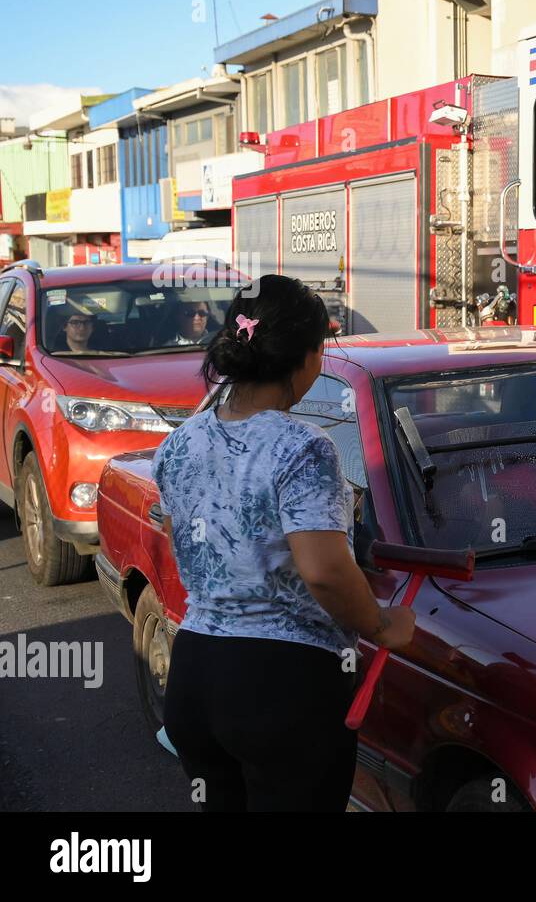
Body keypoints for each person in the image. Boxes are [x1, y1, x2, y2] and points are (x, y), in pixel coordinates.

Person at [151, 274, 415, 812]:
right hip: (280, 685)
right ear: (305, 357)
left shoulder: (180, 442)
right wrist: (383, 626)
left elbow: (190, 549)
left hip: (195, 674)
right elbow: (323, 571)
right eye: (320, 350)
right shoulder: (303, 446)